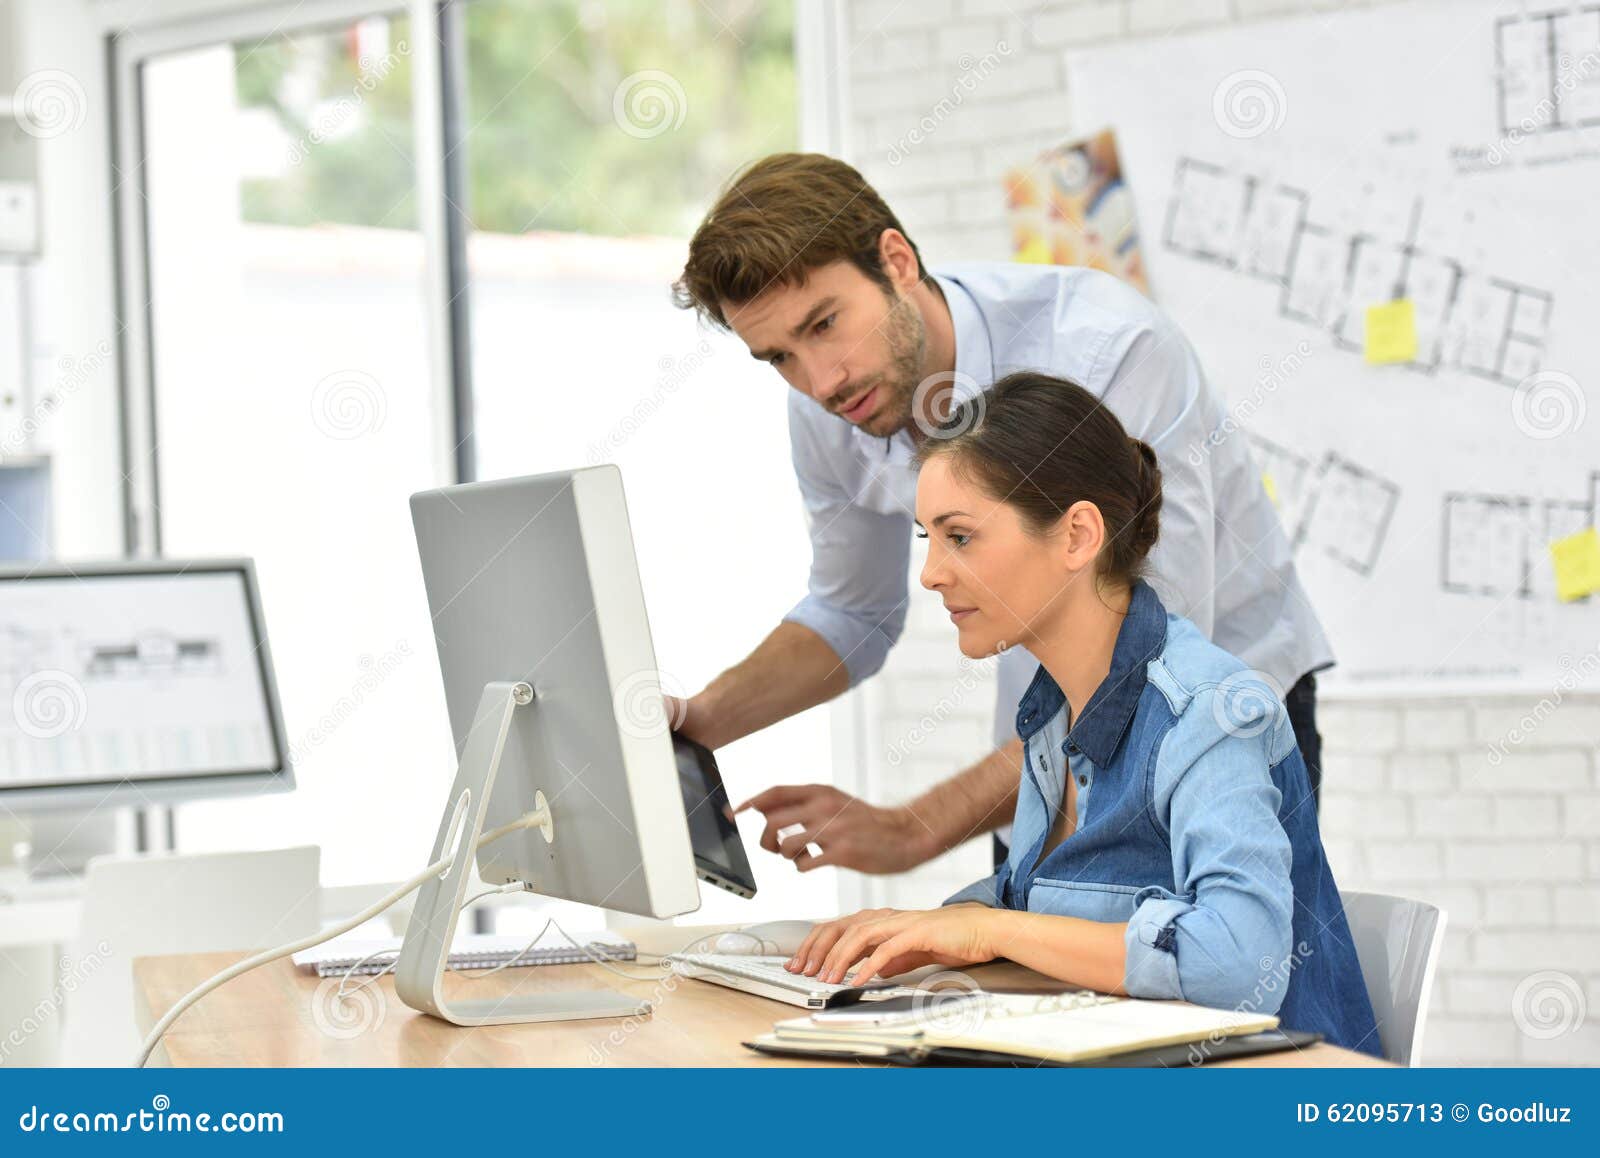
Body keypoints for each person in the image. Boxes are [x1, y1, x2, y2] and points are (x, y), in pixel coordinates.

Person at [670, 152, 1334, 876]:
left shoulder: (1108, 353)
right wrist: (692, 727)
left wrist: (913, 830)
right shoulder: (835, 408)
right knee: (1031, 970)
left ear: (895, 261)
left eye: (826, 323)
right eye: (779, 358)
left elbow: (1146, 669)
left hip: (1220, 719)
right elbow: (851, 613)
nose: (820, 380)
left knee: (1206, 972)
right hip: (1047, 734)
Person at [783, 371, 1380, 1056]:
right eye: (928, 539)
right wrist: (921, 930)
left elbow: (1238, 961)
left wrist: (986, 931)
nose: (931, 574)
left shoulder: (1209, 714)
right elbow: (1037, 906)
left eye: (961, 537)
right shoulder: (1052, 716)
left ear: (1076, 536)